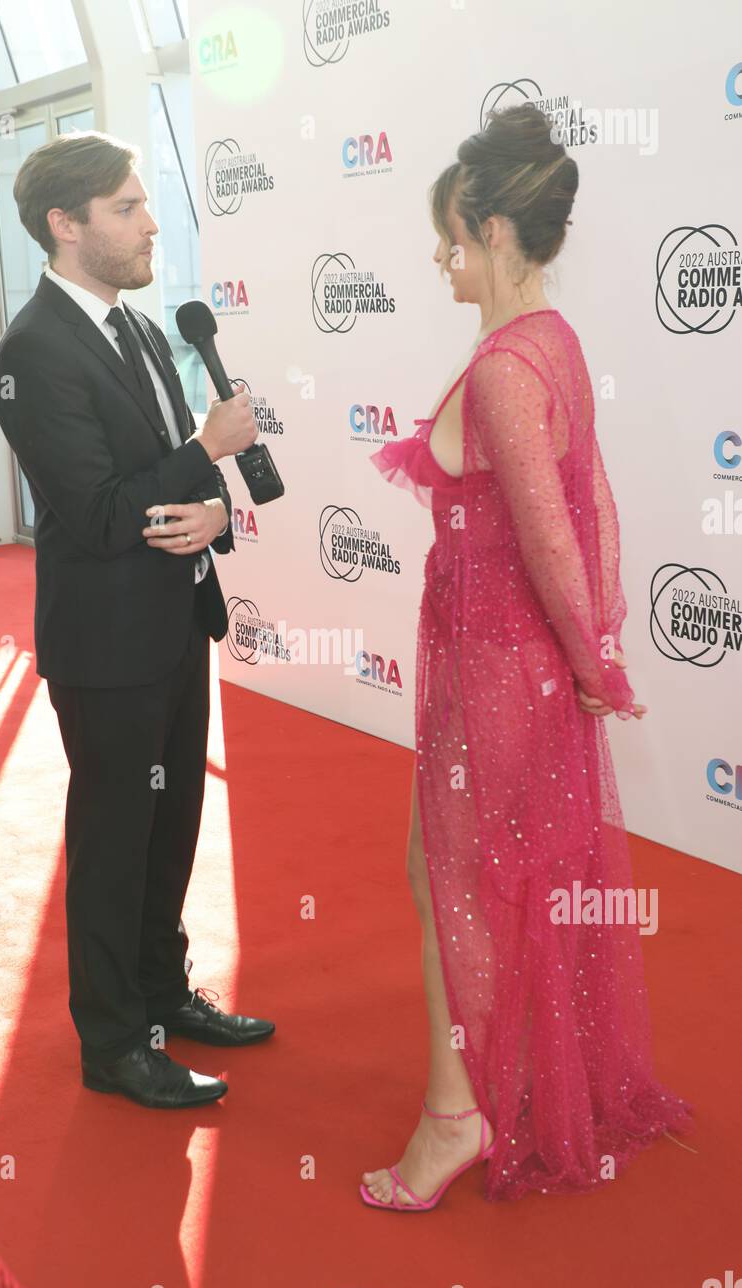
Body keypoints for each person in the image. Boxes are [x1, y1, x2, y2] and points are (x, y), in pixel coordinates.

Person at [361, 103, 693, 1210]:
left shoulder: (507, 364)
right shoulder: (551, 342)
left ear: (496, 233)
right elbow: (587, 502)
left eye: (450, 238)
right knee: (473, 873)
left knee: (455, 877)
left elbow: (555, 535)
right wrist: (593, 653)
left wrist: (593, 659)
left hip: (489, 665)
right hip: (519, 663)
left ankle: (452, 1117)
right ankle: (500, 1086)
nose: (440, 258)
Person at [0, 130, 274, 1110]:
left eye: (144, 203)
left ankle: (162, 995)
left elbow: (165, 497)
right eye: (125, 207)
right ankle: (114, 1043)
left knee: (171, 831)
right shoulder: (31, 351)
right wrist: (204, 447)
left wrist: (212, 514)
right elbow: (104, 512)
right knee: (116, 842)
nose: (151, 222)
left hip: (173, 620)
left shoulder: (144, 330)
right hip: (106, 647)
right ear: (65, 225)